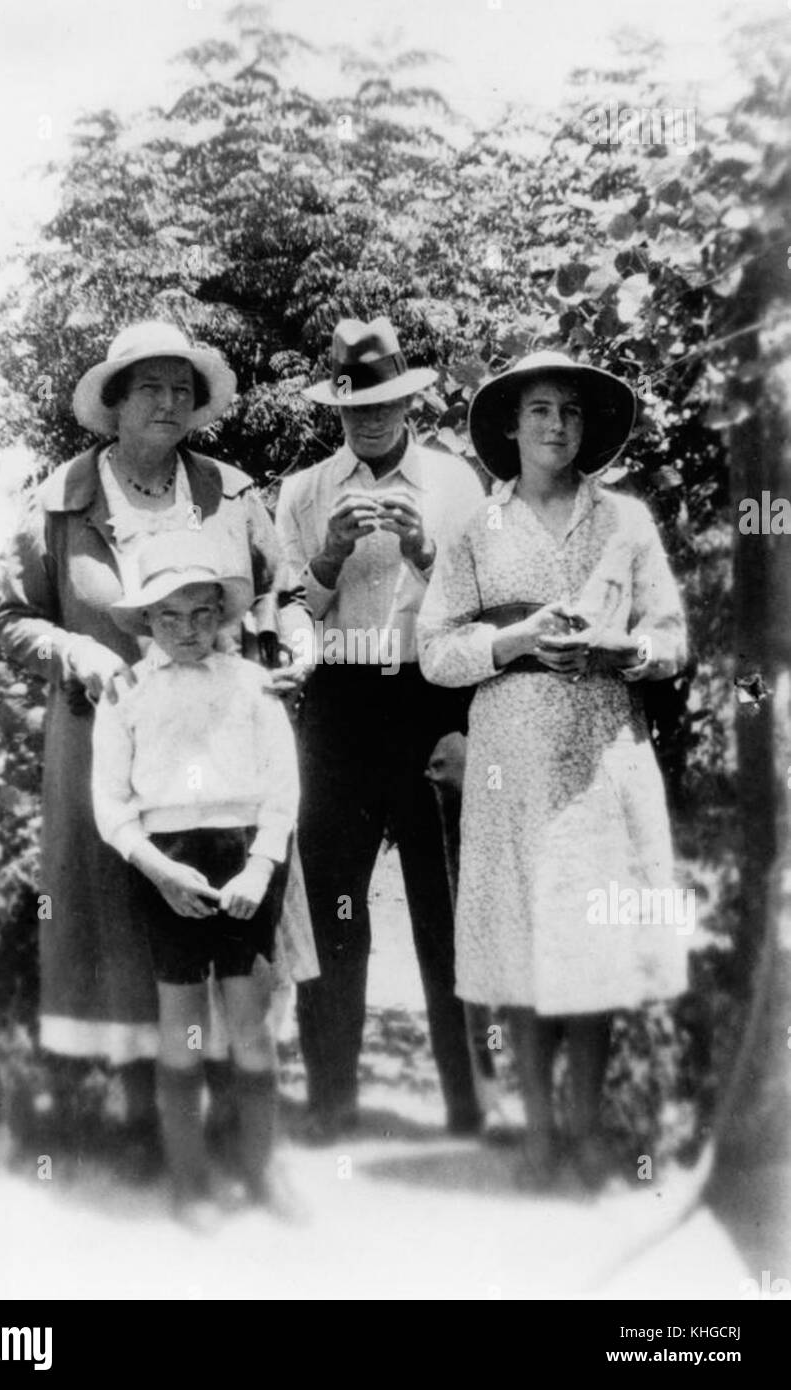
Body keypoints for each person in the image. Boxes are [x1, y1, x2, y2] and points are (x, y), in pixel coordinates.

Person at [0, 319, 306, 1161]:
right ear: (116, 404)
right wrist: (75, 647)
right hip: (110, 746)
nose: (169, 405)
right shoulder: (62, 500)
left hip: (227, 753)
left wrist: (297, 647)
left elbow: (288, 597)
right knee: (124, 931)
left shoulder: (231, 493)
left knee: (233, 924)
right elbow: (7, 619)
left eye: (182, 390)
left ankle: (238, 1138)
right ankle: (145, 1131)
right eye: (150, 389)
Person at [417, 350, 689, 1190]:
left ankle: (584, 1132)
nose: (555, 427)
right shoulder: (476, 532)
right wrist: (513, 640)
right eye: (539, 410)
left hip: (603, 748)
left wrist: (628, 650)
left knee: (593, 938)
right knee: (523, 941)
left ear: (589, 429)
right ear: (510, 424)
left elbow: (674, 639)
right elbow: (434, 652)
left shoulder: (627, 523)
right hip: (511, 755)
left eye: (570, 413)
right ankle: (538, 1132)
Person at [276, 316, 486, 1142]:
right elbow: (286, 615)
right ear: (338, 409)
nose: (369, 418)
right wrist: (326, 560)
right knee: (334, 906)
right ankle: (331, 1102)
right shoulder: (303, 492)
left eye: (384, 401)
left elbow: (480, 602)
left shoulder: (457, 485)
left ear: (408, 400)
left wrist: (429, 552)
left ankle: (471, 1103)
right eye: (354, 404)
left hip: (431, 696)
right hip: (339, 707)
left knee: (446, 905)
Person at [91, 529, 301, 1228]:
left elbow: (281, 788)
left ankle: (262, 1170)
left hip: (243, 858)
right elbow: (111, 805)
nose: (188, 630)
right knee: (181, 1024)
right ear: (145, 621)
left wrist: (262, 865)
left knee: (249, 1023)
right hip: (164, 862)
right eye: (170, 616)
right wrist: (156, 867)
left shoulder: (253, 686)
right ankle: (189, 1183)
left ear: (224, 614)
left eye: (203, 614)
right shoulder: (124, 693)